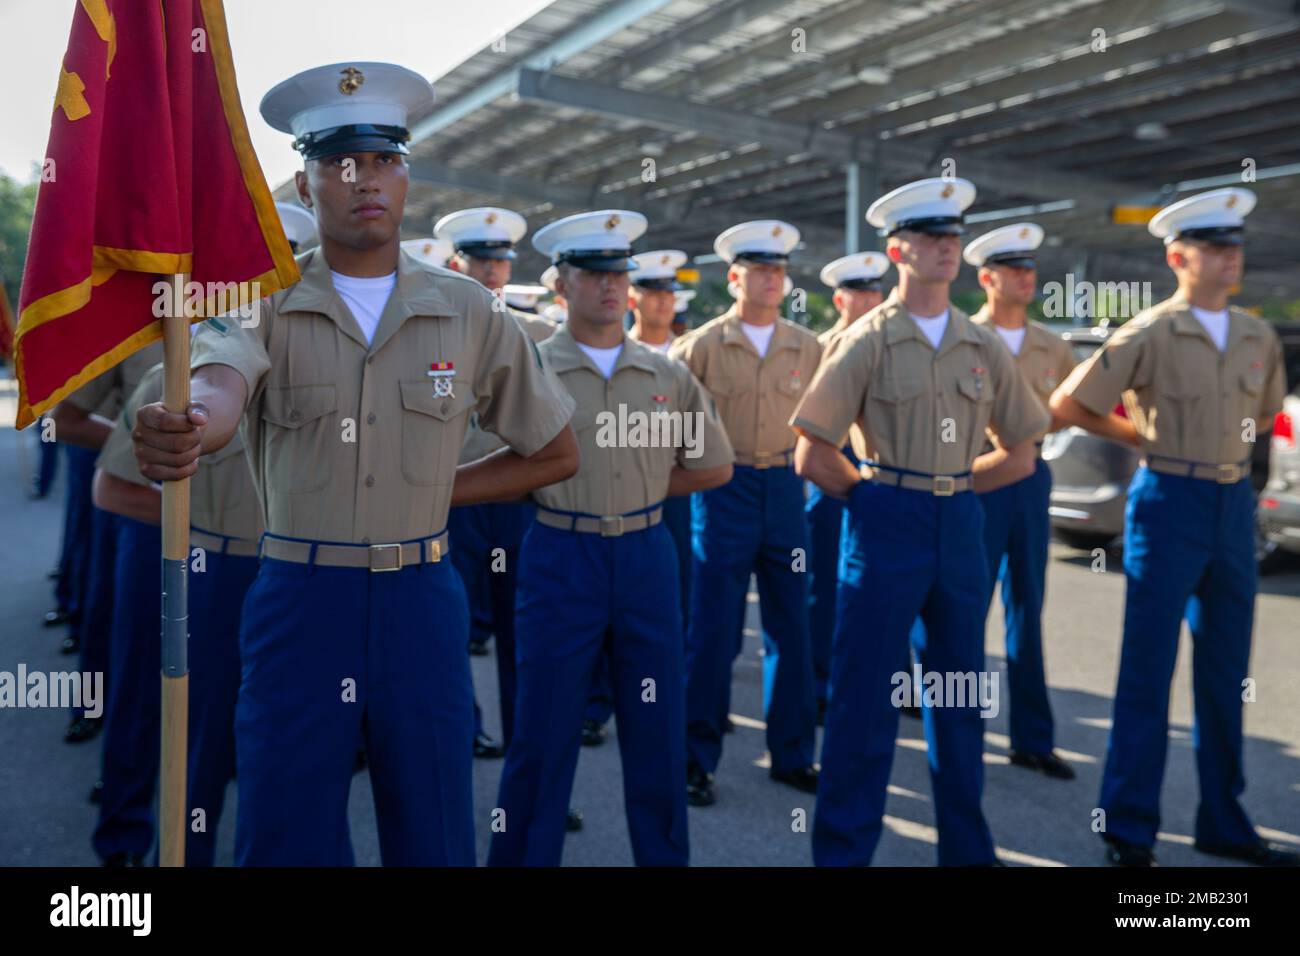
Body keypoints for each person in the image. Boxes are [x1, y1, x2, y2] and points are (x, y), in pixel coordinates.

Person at [129, 62, 578, 865]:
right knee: (285, 831)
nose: (363, 180)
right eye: (339, 164)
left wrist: (437, 491)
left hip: (421, 599)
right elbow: (220, 379)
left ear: (406, 178)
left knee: (434, 828)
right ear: (306, 187)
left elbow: (553, 450)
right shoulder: (258, 297)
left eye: (382, 160)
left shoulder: (470, 309)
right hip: (301, 601)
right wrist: (193, 421)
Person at [791, 178, 1048, 866]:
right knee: (865, 699)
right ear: (896, 249)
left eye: (952, 237)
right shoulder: (866, 339)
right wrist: (873, 499)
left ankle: (968, 854)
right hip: (886, 520)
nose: (945, 247)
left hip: (958, 523)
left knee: (959, 699)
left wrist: (957, 486)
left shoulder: (980, 344)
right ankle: (843, 853)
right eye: (931, 237)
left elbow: (1022, 453)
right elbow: (812, 454)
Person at [1050, 187, 1298, 867]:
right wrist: (1139, 433)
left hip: (1228, 508)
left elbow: (1267, 423)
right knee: (1148, 670)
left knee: (1226, 672)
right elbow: (1068, 403)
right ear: (1177, 256)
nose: (1229, 258)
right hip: (1167, 501)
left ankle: (1225, 820)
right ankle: (1129, 830)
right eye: (1215, 247)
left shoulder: (1256, 334)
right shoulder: (1150, 331)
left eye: (1234, 246)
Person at [489, 210, 733, 866]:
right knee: (542, 734)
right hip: (560, 554)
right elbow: (491, 468)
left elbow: (712, 464)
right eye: (592, 274)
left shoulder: (666, 374)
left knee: (656, 734)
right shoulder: (531, 368)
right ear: (561, 285)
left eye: (618, 273)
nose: (609, 286)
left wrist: (640, 491)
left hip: (645, 555)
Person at [670, 220, 822, 806]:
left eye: (779, 271)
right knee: (713, 632)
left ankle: (792, 755)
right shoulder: (700, 347)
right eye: (759, 270)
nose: (771, 280)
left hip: (786, 487)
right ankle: (693, 759)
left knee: (792, 628)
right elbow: (674, 425)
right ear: (734, 277)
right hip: (724, 487)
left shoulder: (807, 346)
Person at [962, 222, 1077, 779]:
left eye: (1030, 269)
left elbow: (1078, 401)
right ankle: (957, 731)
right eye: (1013, 270)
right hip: (978, 477)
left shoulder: (1053, 345)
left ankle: (1032, 739)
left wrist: (1035, 433)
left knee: (1028, 608)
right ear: (987, 278)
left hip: (1030, 477)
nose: (1026, 278)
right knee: (964, 605)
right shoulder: (961, 336)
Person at [805, 251, 888, 719]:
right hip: (830, 470)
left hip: (877, 471)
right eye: (859, 292)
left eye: (875, 290)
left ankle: (893, 680)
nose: (869, 299)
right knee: (825, 586)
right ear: (840, 299)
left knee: (885, 584)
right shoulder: (819, 348)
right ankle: (820, 683)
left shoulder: (891, 344)